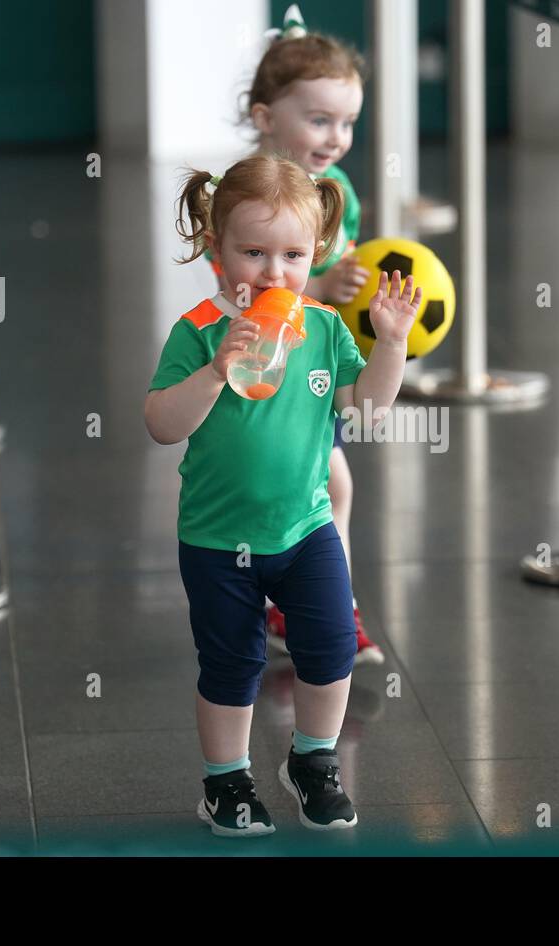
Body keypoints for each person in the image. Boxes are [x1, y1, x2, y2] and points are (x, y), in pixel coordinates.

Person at [144, 154, 420, 836]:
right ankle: (226, 780)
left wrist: (390, 345)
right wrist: (214, 371)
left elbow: (365, 411)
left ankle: (314, 760)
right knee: (232, 663)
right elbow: (160, 424)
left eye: (293, 254)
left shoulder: (325, 329)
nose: (273, 272)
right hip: (217, 539)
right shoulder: (199, 330)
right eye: (253, 252)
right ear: (216, 249)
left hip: (305, 529)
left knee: (329, 647)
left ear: (316, 253)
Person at [242, 4, 384, 663]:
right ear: (266, 118)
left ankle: (298, 609)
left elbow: (338, 257)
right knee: (323, 487)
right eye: (319, 119)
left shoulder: (338, 190)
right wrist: (319, 290)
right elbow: (238, 287)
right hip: (267, 367)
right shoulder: (250, 195)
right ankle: (322, 613)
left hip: (320, 363)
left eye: (347, 122)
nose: (335, 136)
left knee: (325, 487)